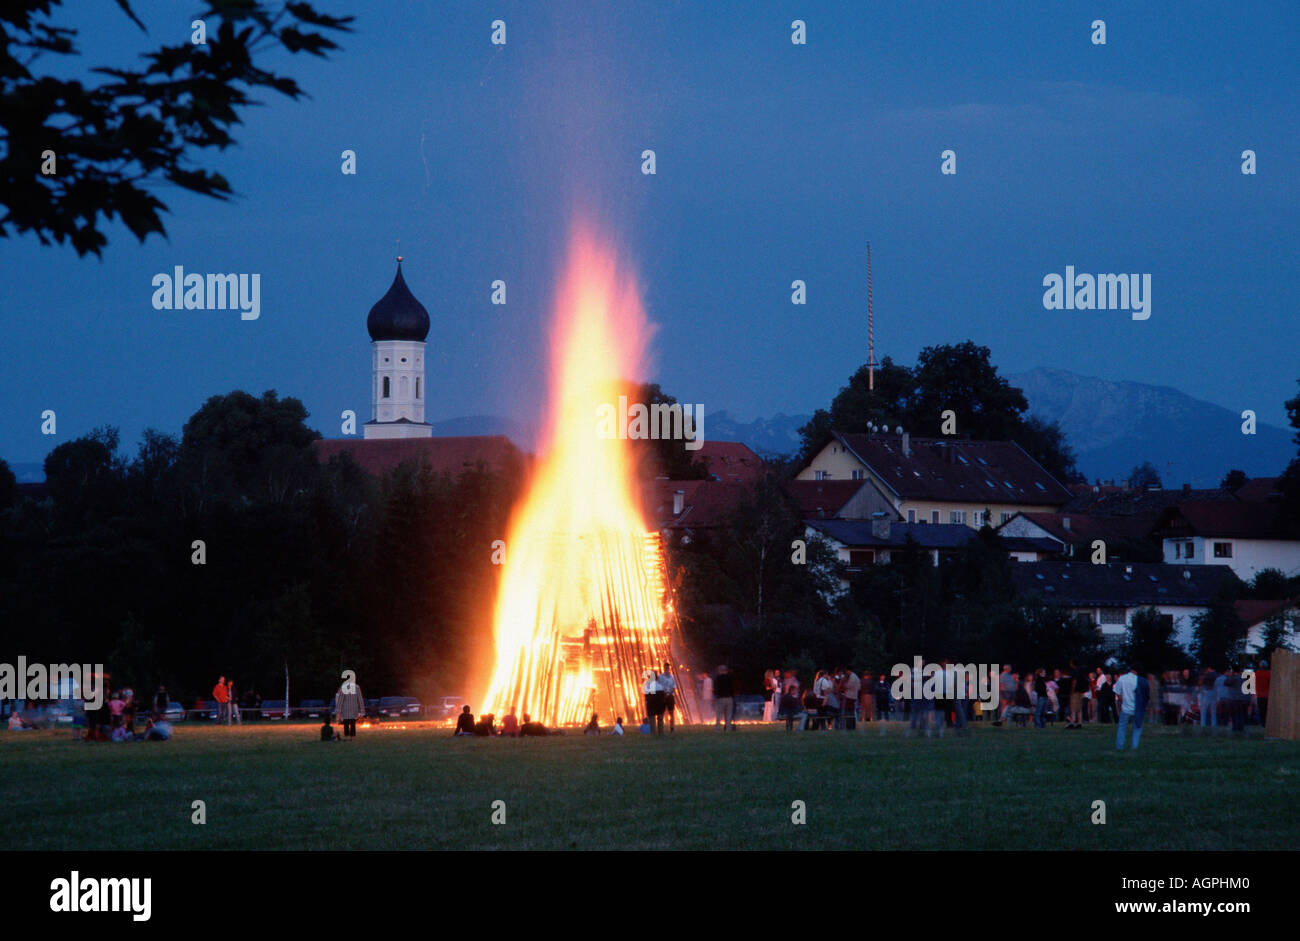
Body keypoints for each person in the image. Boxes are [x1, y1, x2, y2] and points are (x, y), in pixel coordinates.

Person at [1113, 663, 1149, 751]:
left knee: (1122, 727)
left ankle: (1120, 746)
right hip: (1138, 708)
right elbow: (1146, 696)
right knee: (1137, 728)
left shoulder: (1122, 678)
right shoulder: (1142, 681)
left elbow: (1117, 692)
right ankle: (1134, 747)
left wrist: (1122, 701)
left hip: (1125, 708)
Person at [712, 665, 736, 731]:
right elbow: (733, 687)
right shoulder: (730, 678)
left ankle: (717, 728)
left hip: (720, 698)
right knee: (728, 715)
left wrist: (716, 695)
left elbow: (715, 688)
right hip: (729, 698)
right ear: (726, 671)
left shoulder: (717, 678)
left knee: (719, 715)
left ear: (719, 671)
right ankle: (728, 728)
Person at [642, 669, 664, 736]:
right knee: (660, 719)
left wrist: (646, 704)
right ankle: (661, 732)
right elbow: (662, 697)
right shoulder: (660, 686)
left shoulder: (647, 686)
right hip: (659, 704)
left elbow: (646, 697)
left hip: (651, 704)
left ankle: (653, 733)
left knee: (652, 719)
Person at [659, 663, 677, 732]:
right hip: (663, 696)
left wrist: (669, 693)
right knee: (661, 712)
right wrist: (663, 694)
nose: (666, 669)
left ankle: (672, 727)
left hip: (670, 696)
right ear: (664, 668)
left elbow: (674, 687)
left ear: (669, 668)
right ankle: (661, 727)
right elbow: (659, 686)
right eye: (665, 668)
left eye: (667, 668)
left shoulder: (672, 677)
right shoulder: (661, 677)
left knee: (671, 712)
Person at [1255, 660, 1271, 726]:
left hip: (1259, 695)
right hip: (1268, 695)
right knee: (1267, 711)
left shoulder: (1256, 673)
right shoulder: (1269, 673)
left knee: (1261, 711)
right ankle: (1267, 724)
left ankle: (1263, 723)